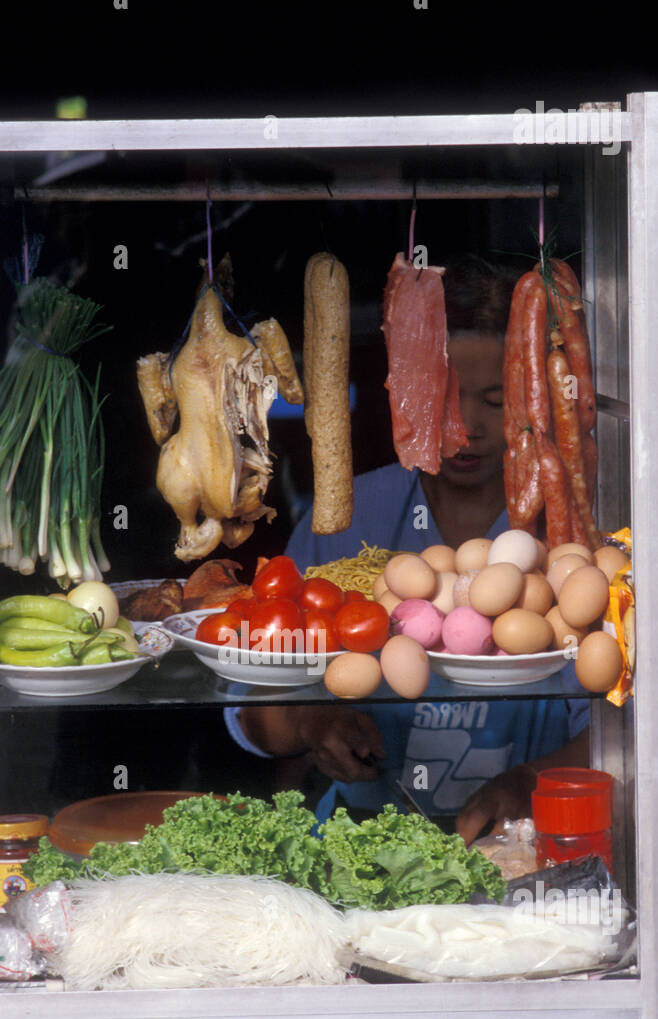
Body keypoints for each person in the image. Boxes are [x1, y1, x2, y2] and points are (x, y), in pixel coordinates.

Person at [225, 255, 589, 844]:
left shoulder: (568, 529)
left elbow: (623, 728)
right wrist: (311, 721)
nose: (468, 427)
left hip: (533, 846)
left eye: (496, 402)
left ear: (536, 401)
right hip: (360, 843)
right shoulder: (346, 517)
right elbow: (249, 703)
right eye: (445, 400)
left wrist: (533, 782)